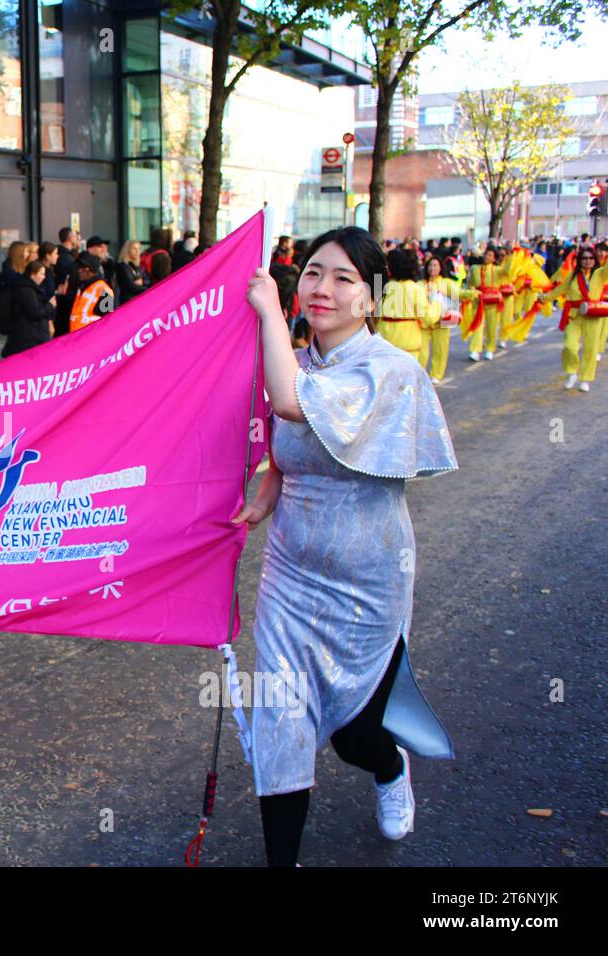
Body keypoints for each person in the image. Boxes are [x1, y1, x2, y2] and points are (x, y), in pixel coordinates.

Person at [234, 226, 457, 867]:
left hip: (367, 582)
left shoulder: (390, 370)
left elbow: (290, 403)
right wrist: (271, 485)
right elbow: (291, 442)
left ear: (370, 295)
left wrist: (272, 315)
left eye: (342, 277)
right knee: (281, 720)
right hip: (289, 573)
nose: (320, 288)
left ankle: (389, 767)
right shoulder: (299, 361)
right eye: (310, 273)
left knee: (356, 734)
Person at [540, 246, 606, 392]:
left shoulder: (601, 274)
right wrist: (545, 298)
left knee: (590, 349)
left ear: (595, 260)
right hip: (574, 315)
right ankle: (572, 373)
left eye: (590, 258)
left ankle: (585, 379)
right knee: (570, 346)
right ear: (579, 260)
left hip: (593, 315)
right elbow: (560, 290)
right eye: (584, 258)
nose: (587, 261)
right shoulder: (572, 276)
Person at [419, 255, 471, 383]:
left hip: (442, 322)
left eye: (435, 265)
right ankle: (419, 374)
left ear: (441, 268)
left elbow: (460, 294)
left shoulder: (447, 283)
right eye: (430, 265)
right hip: (423, 323)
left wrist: (473, 294)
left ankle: (436, 374)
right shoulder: (420, 284)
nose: (432, 268)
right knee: (421, 351)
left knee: (440, 350)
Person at [377, 248, 428, 357]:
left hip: (383, 339)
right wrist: (437, 303)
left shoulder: (383, 286)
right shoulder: (416, 288)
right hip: (409, 341)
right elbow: (428, 317)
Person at [2, 259, 55, 357]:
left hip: (30, 336)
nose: (44, 277)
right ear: (33, 274)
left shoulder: (28, 288)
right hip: (29, 338)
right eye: (42, 274)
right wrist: (50, 305)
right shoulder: (26, 290)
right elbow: (36, 312)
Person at [0, 240, 30, 341]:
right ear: (19, 254)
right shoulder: (11, 277)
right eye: (26, 252)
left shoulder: (12, 274)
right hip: (16, 320)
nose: (28, 254)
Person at [464, 246, 503, 361]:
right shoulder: (475, 268)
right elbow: (469, 284)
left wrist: (515, 255)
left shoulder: (497, 270)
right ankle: (475, 350)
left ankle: (490, 349)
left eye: (490, 255)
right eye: (486, 254)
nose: (487, 257)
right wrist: (471, 294)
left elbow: (509, 272)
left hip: (493, 302)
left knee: (492, 326)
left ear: (494, 259)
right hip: (478, 301)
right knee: (477, 325)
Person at [68, 252, 113, 333]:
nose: (79, 270)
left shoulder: (104, 290)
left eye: (83, 268)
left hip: (91, 338)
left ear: (92, 270)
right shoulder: (82, 287)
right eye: (79, 267)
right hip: (76, 337)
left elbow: (107, 321)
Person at [53, 228, 81, 338]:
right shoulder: (66, 258)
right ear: (70, 238)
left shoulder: (68, 256)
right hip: (65, 301)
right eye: (75, 236)